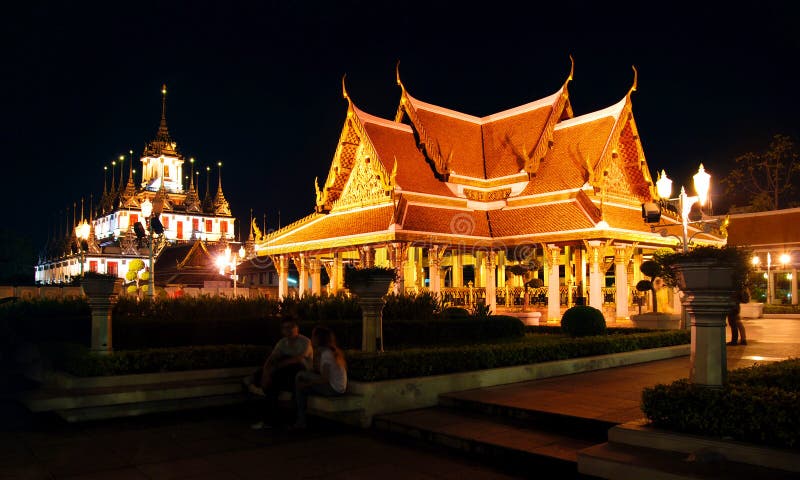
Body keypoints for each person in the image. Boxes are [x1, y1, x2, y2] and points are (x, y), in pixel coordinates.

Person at [249, 318, 313, 429]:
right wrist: (266, 372)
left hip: (299, 373)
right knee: (264, 377)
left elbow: (297, 359)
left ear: (297, 328)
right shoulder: (282, 342)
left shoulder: (305, 342)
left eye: (291, 327)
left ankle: (270, 420)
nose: (288, 330)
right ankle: (271, 419)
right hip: (284, 373)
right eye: (285, 328)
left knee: (274, 380)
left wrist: (275, 369)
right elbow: (272, 358)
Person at [291, 326, 347, 429]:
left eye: (313, 336)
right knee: (300, 376)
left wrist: (306, 384)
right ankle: (299, 415)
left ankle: (300, 420)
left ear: (318, 338)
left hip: (333, 389)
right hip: (338, 387)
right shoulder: (328, 351)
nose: (311, 338)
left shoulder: (326, 354)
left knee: (301, 386)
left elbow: (324, 379)